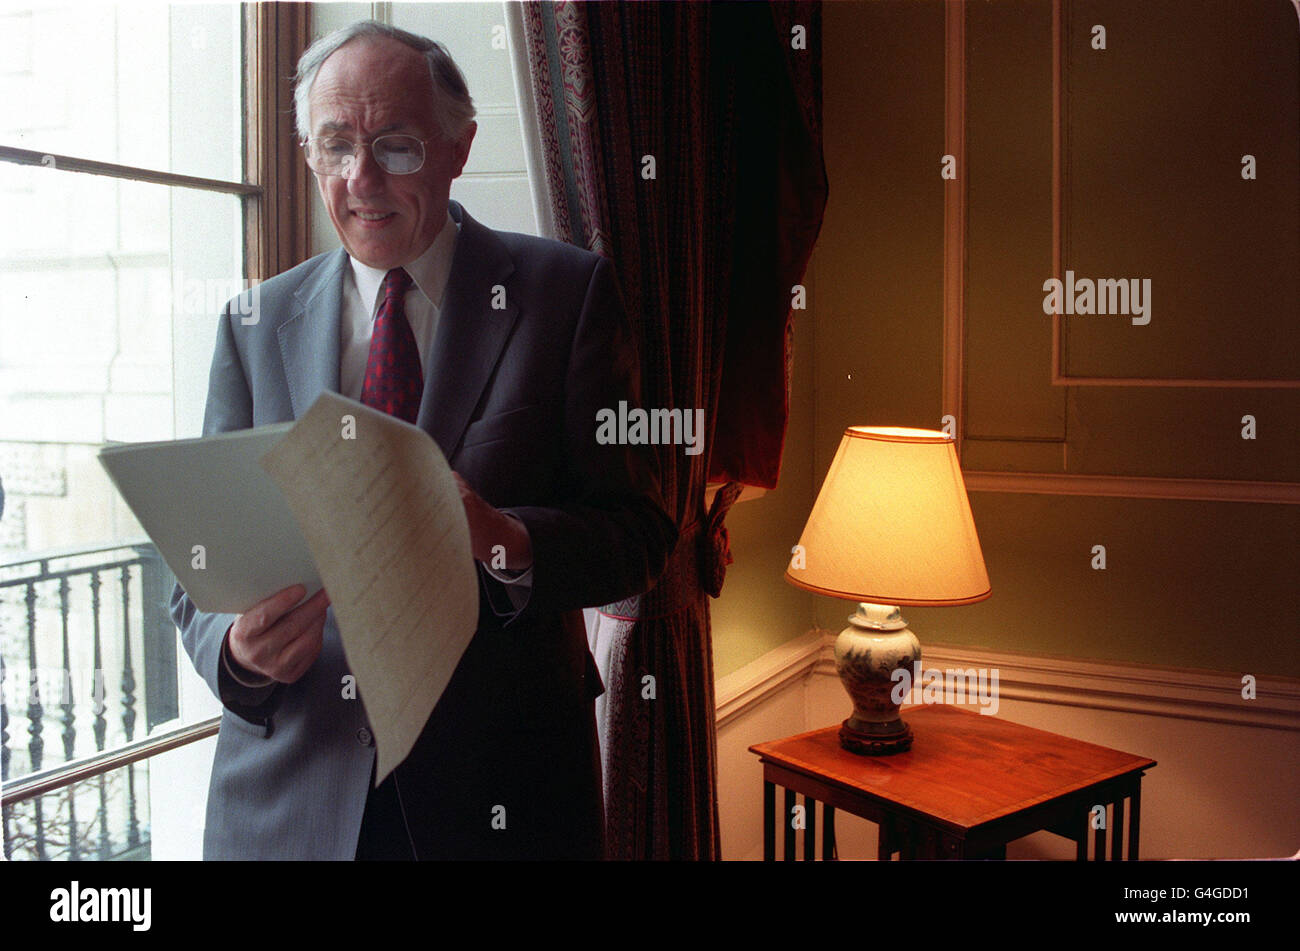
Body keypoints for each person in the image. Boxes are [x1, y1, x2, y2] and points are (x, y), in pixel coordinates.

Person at [169, 20, 675, 860]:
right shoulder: (252, 323)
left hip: (501, 792)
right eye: (334, 147)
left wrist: (506, 540)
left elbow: (642, 533)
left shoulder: (566, 295)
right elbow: (197, 565)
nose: (360, 179)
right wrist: (234, 652)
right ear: (308, 153)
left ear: (457, 147)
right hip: (292, 802)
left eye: (396, 147)